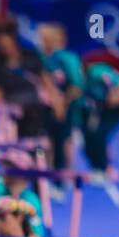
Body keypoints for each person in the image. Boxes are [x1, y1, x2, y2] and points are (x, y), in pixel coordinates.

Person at [37, 23, 84, 171]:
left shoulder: (68, 59)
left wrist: (62, 104)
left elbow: (76, 86)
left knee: (66, 139)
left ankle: (67, 171)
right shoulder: (43, 58)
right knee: (49, 139)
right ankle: (49, 170)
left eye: (45, 38)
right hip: (48, 107)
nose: (42, 42)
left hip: (69, 107)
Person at [80, 59, 119, 179]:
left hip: (110, 112)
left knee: (98, 136)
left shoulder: (96, 72)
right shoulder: (84, 84)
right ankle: (97, 168)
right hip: (95, 112)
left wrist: (114, 97)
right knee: (89, 139)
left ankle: (103, 168)